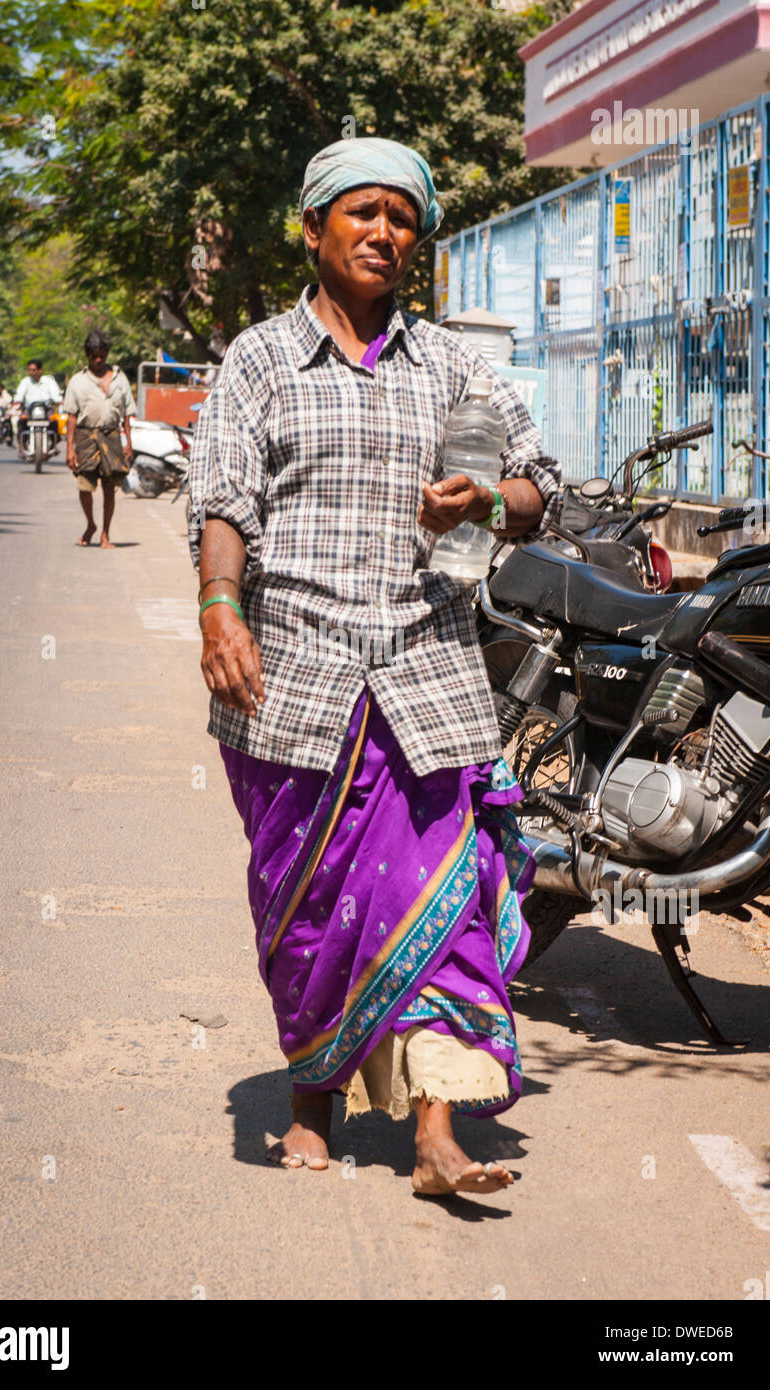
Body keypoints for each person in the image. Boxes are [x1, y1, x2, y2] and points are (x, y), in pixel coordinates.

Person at [188, 137, 562, 1197]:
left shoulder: (450, 365)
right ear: (314, 229)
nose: (384, 233)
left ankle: (439, 1128)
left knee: (442, 893)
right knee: (306, 908)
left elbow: (543, 484)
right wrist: (221, 606)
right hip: (290, 678)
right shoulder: (260, 359)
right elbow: (223, 496)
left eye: (402, 219)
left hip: (426, 675)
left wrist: (487, 501)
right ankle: (313, 1098)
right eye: (361, 213)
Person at [62, 330, 135, 548]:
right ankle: (91, 524)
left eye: (101, 355)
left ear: (106, 354)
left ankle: (105, 534)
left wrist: (129, 442)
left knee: (109, 486)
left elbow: (128, 414)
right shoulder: (77, 381)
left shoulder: (120, 379)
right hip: (86, 438)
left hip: (111, 436)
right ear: (87, 355)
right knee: (85, 486)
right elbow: (71, 418)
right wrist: (70, 449)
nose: (98, 360)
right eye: (93, 356)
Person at [12, 359, 62, 458]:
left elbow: (55, 393)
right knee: (21, 421)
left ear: (40, 370)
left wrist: (59, 400)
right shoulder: (25, 382)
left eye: (34, 370)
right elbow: (19, 394)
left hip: (46, 408)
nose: (32, 372)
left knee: (54, 421)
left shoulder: (48, 381)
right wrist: (17, 400)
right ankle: (21, 446)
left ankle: (54, 444)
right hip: (29, 409)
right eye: (30, 370)